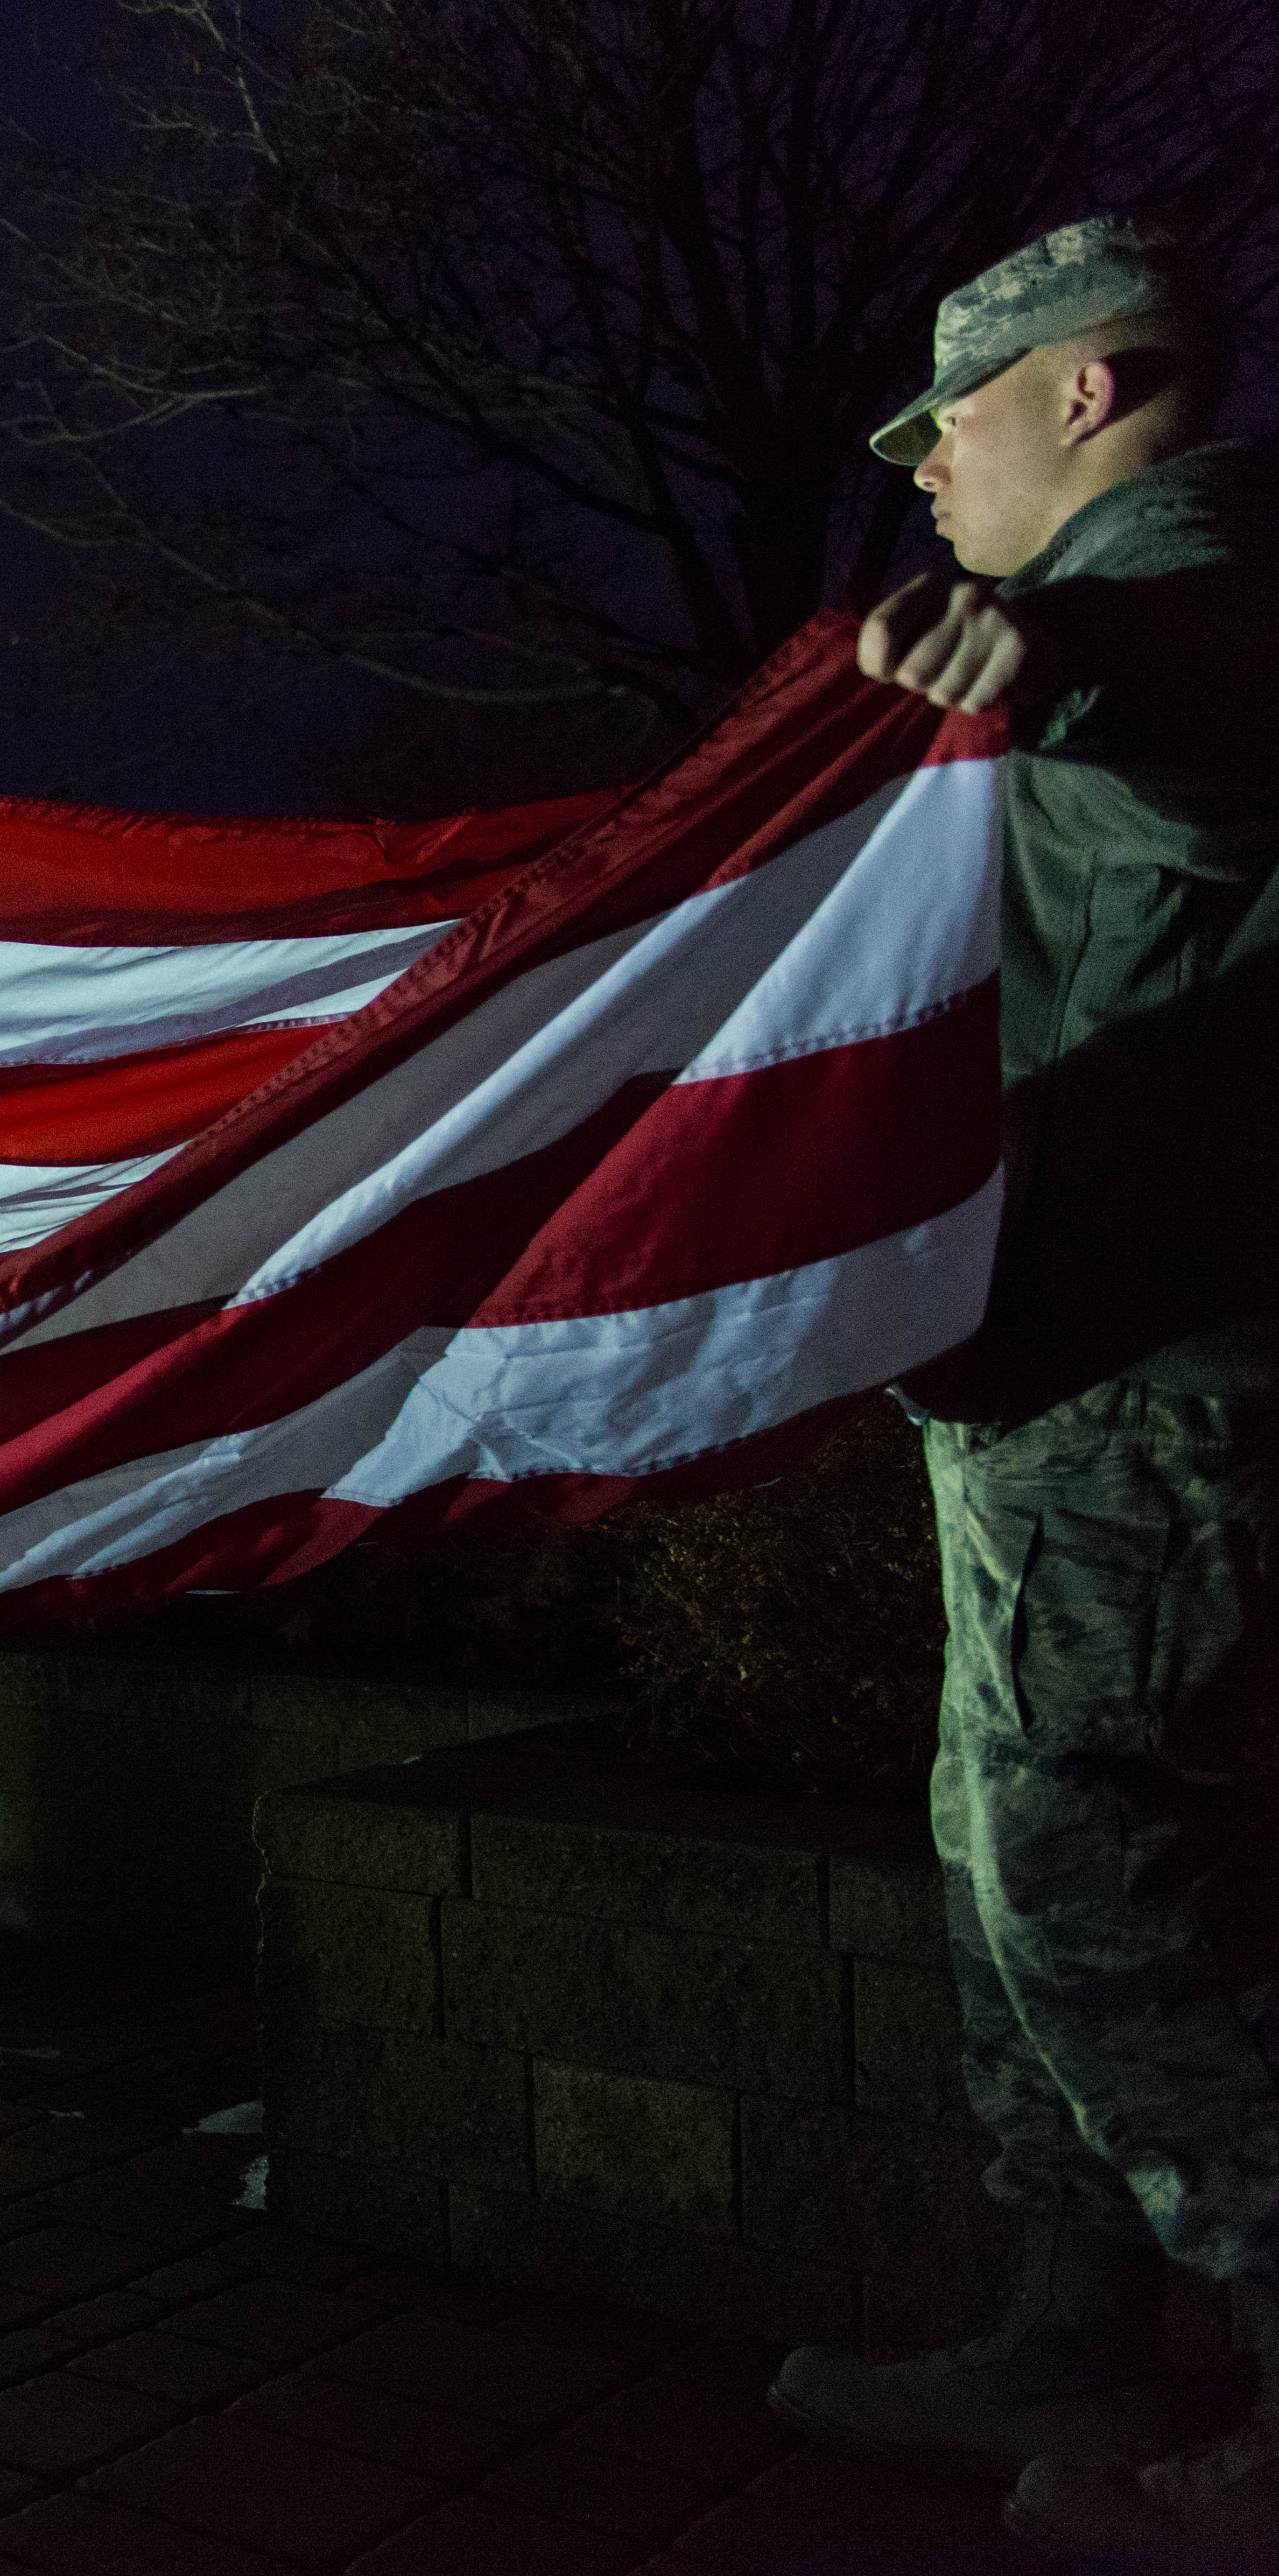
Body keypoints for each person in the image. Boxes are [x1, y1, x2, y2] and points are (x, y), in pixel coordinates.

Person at [763, 218, 1279, 2571]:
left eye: (947, 427)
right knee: (1007, 1847)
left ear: (1079, 393)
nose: (927, 481)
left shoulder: (1192, 586)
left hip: (1158, 1376)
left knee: (1089, 1864)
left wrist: (1045, 647)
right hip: (1059, 1360)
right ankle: (1067, 2314)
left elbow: (1191, 679)